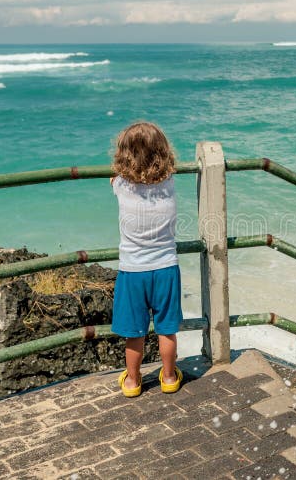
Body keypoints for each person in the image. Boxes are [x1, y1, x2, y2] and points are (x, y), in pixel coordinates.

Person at [110, 121, 183, 397]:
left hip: (132, 270)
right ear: (163, 152)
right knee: (167, 330)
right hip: (166, 267)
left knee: (135, 332)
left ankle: (132, 381)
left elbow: (115, 177)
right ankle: (168, 377)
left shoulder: (120, 185)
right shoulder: (170, 183)